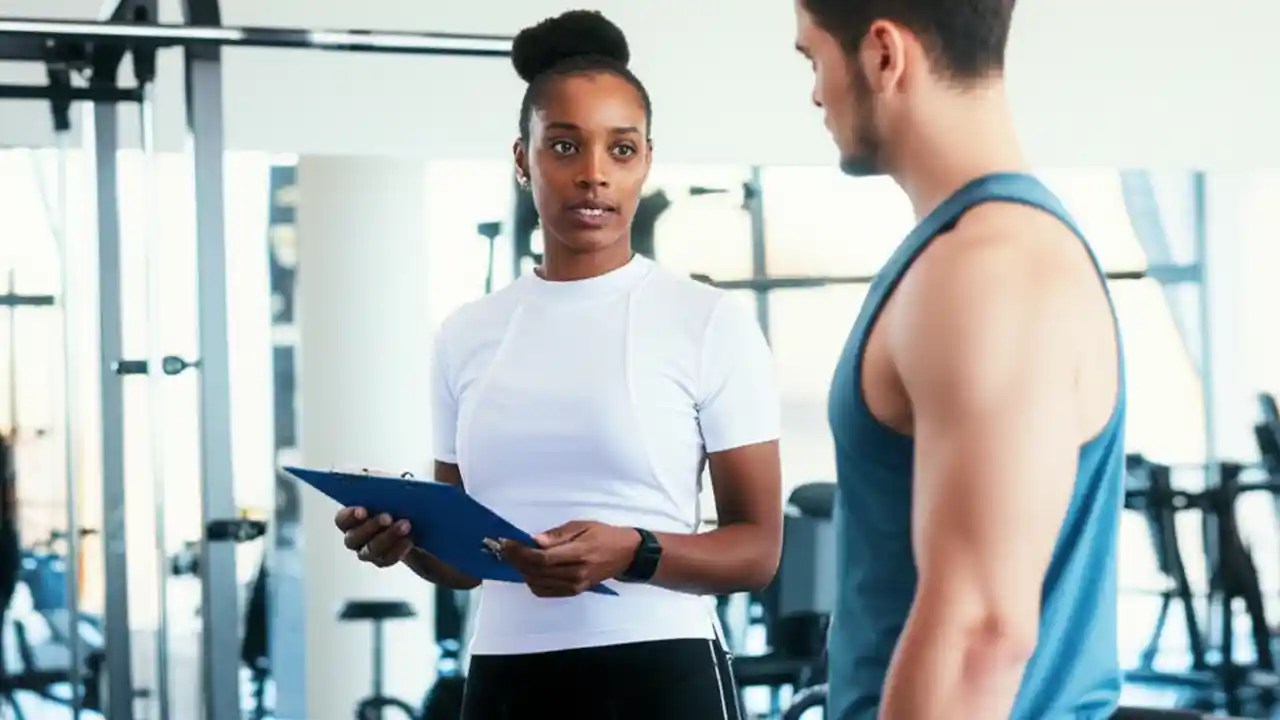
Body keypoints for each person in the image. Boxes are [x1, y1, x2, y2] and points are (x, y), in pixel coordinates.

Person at [334, 10, 783, 720]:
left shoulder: (707, 321)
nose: (594, 175)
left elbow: (756, 552)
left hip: (661, 675)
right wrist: (405, 541)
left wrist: (633, 551)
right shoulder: (466, 334)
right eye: (565, 146)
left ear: (647, 161)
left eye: (621, 149)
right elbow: (463, 562)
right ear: (523, 160)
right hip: (507, 678)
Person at [792, 1, 1126, 718]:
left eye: (813, 58)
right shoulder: (967, 253)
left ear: (883, 55)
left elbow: (981, 637)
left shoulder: (990, 267)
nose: (816, 93)